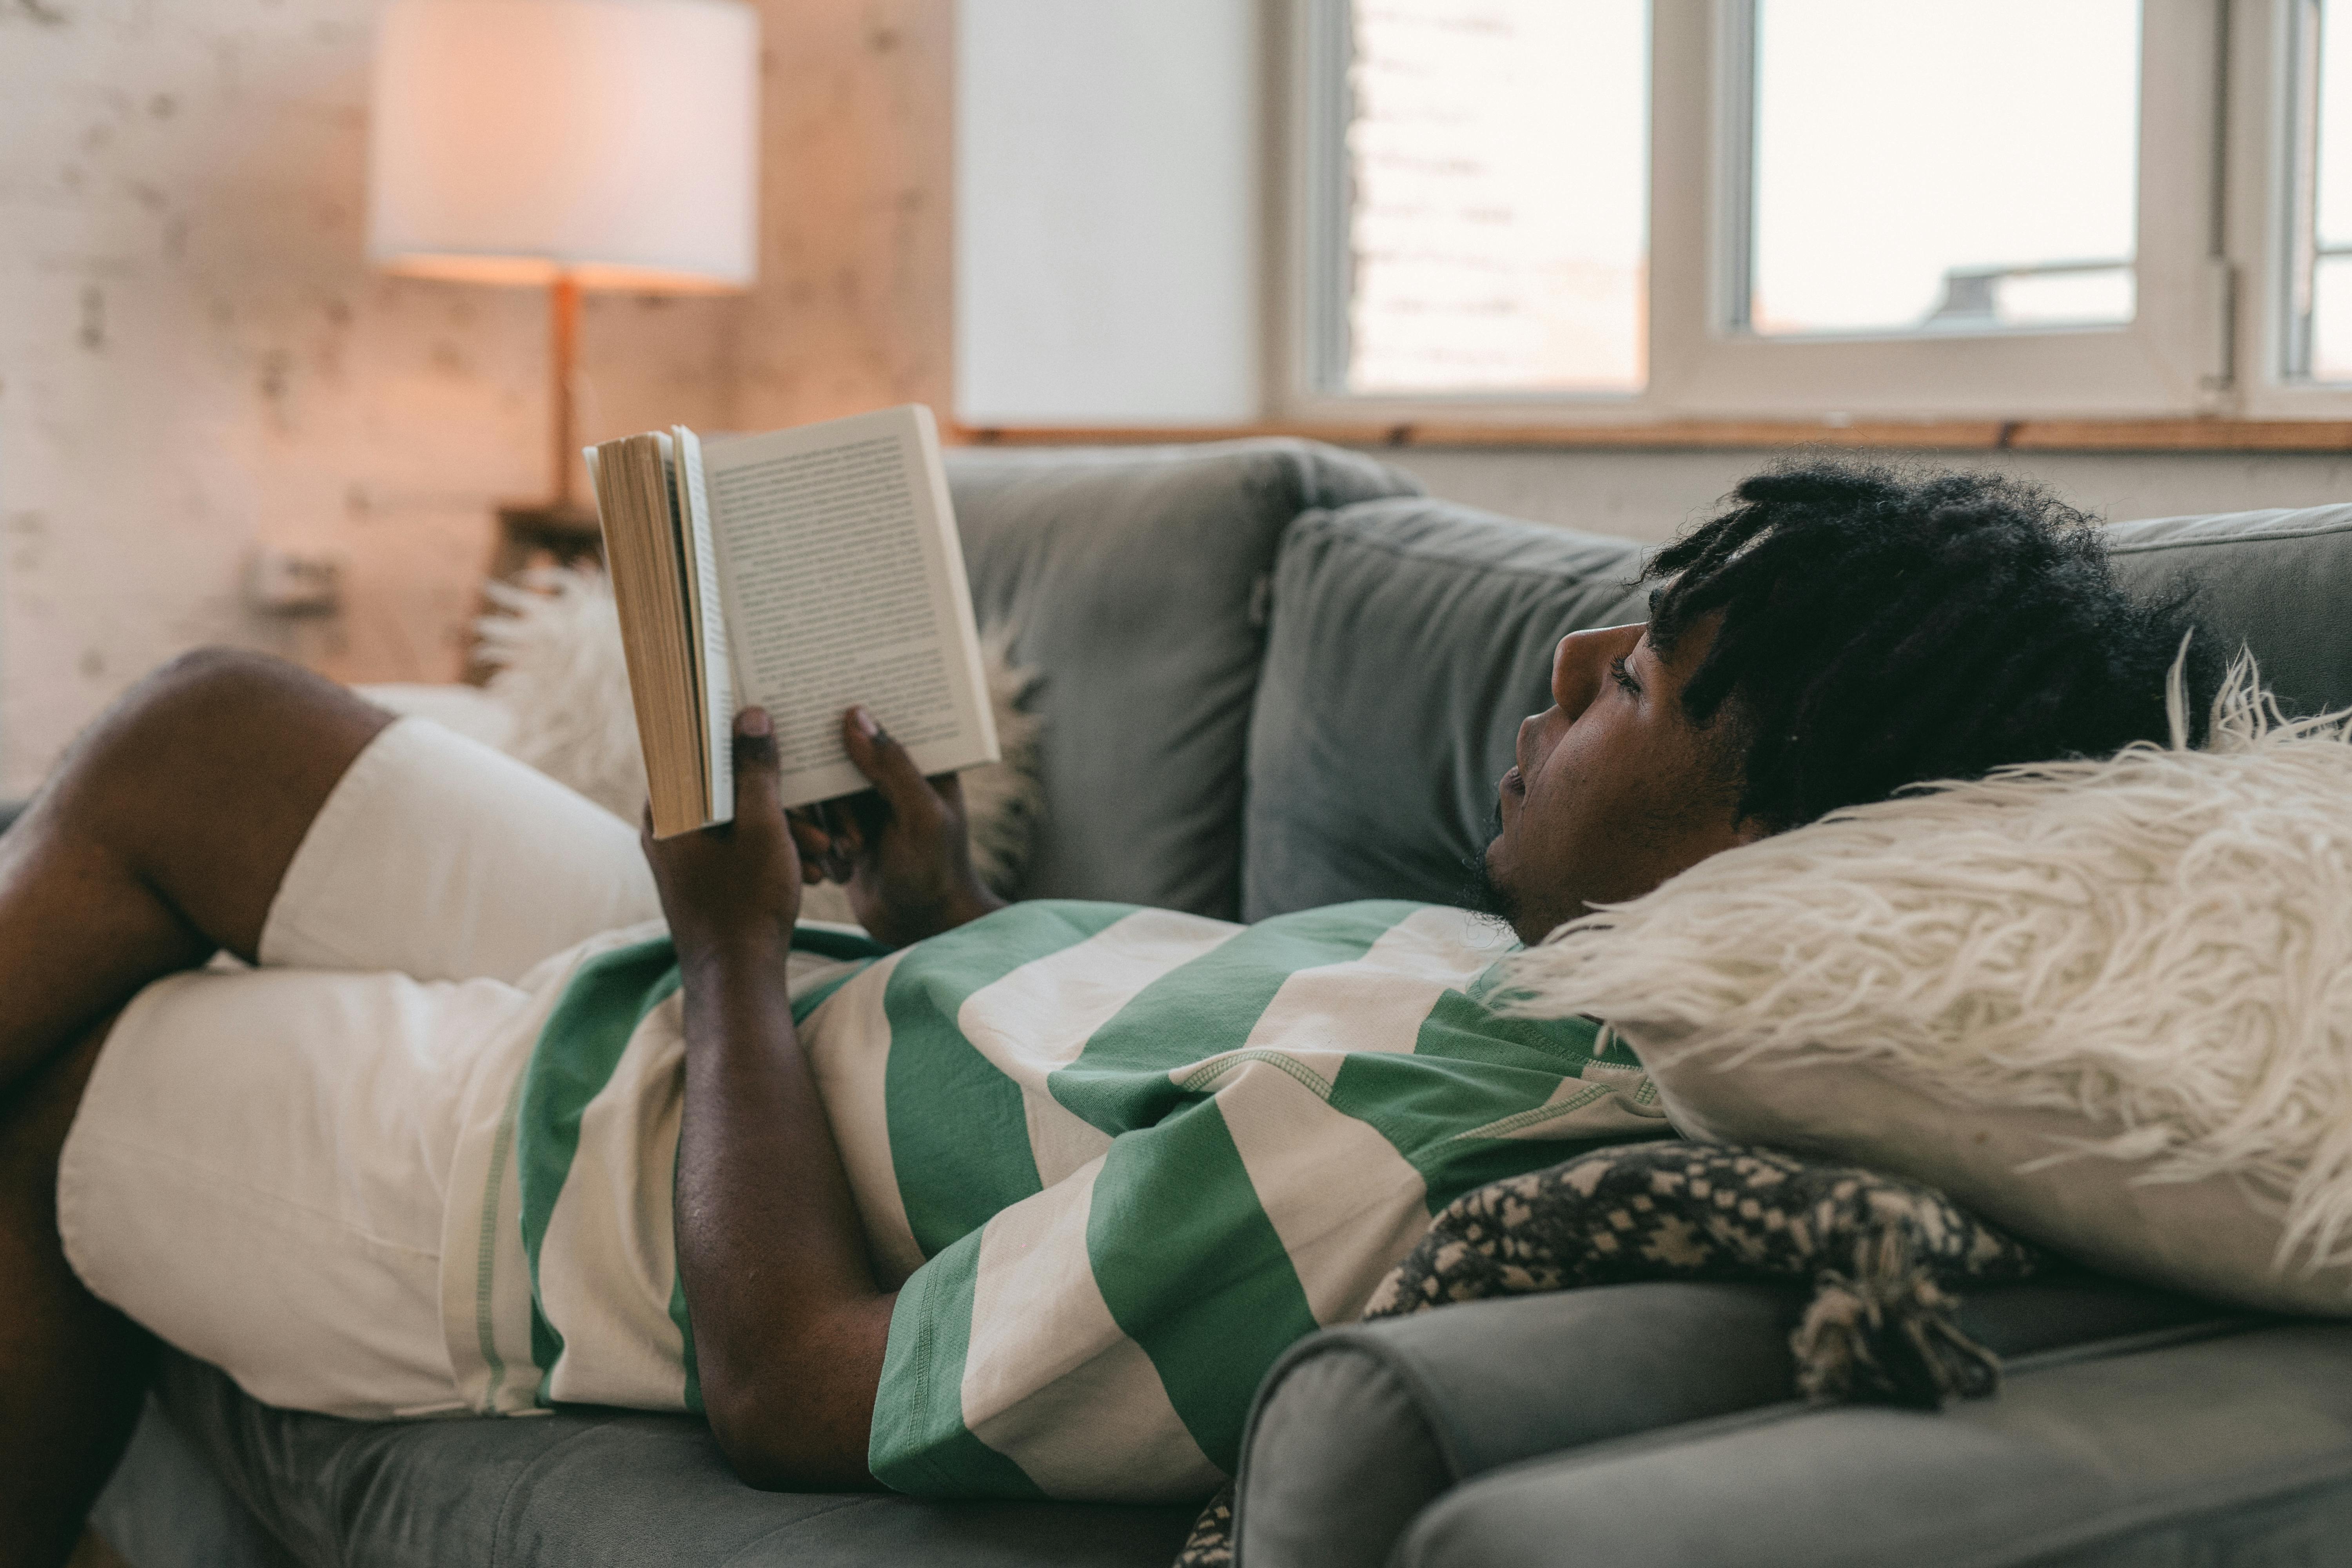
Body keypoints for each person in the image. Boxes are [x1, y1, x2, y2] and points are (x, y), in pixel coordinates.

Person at [0, 464, 2214, 1566]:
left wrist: (736, 952)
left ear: (1778, 838)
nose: (1557, 670)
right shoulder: (1536, 982)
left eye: (1631, 682)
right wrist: (937, 910)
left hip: (592, 1173)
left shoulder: (1417, 1144)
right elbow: (1102, 1085)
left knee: (75, 1068)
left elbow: (799, 1383)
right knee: (207, 729)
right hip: (757, 1008)